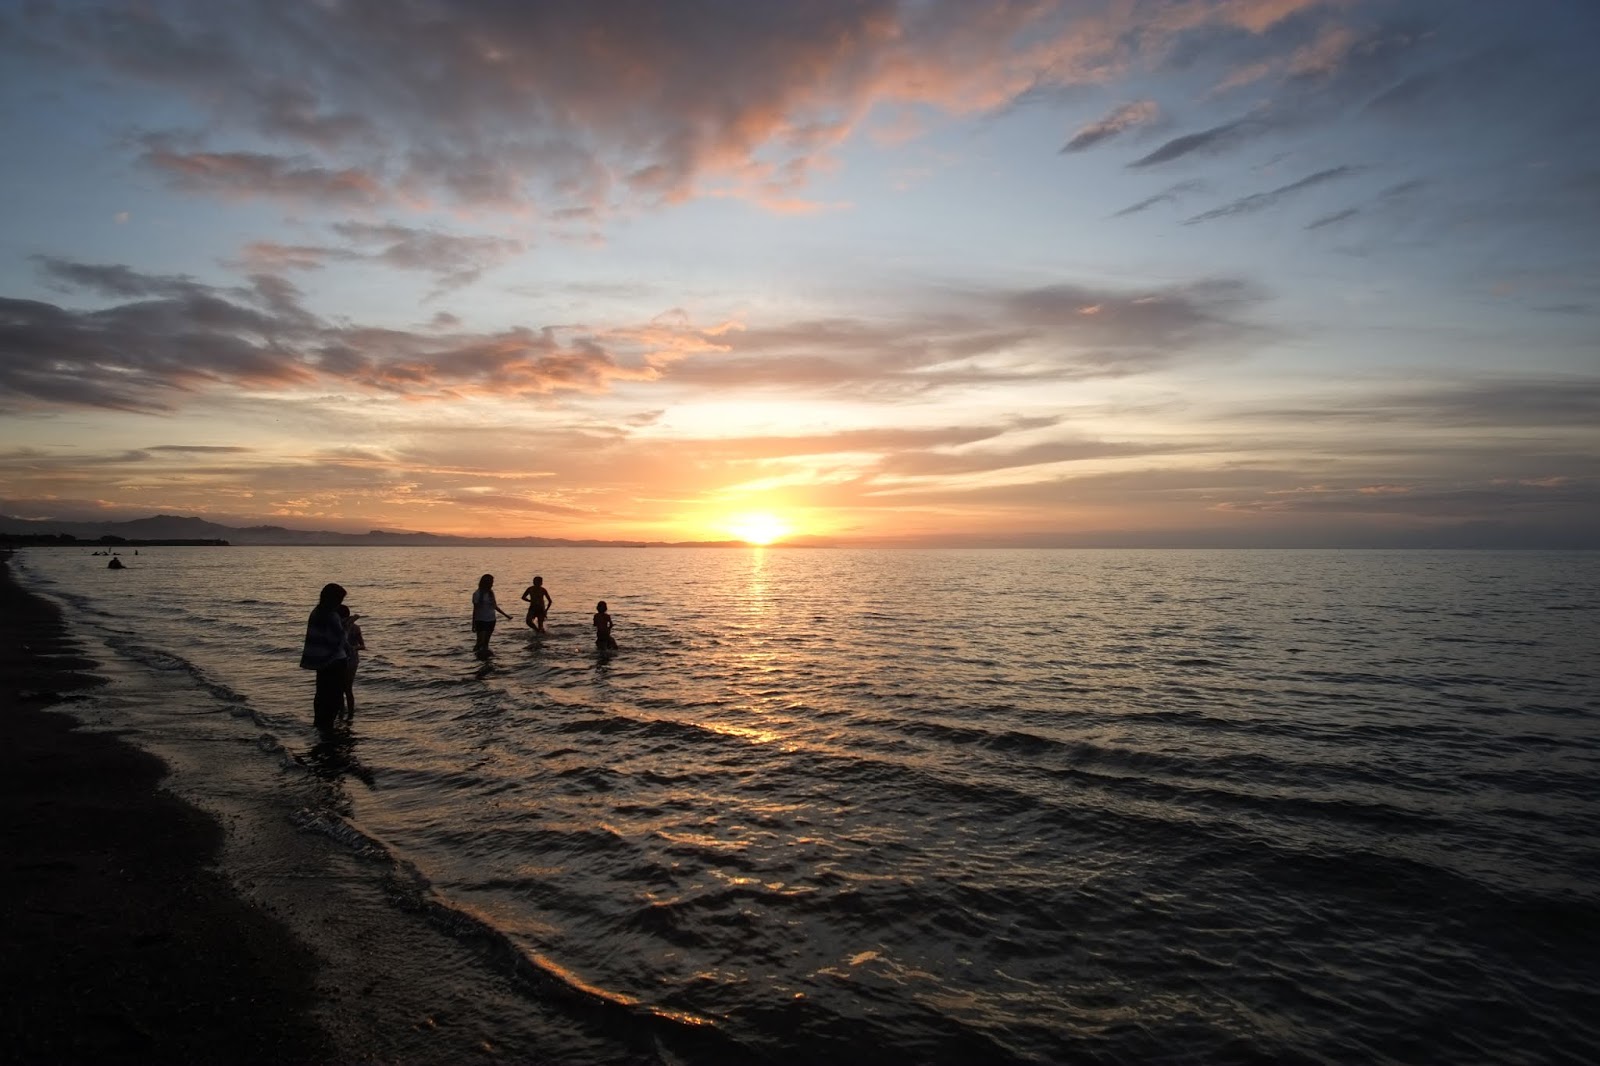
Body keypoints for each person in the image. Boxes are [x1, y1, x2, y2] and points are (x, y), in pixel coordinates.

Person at [300, 583, 348, 727]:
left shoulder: (316, 612)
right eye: (340, 600)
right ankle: (328, 728)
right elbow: (338, 640)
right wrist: (346, 627)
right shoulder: (331, 616)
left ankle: (320, 724)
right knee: (334, 696)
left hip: (321, 661)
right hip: (335, 661)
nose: (341, 603)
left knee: (321, 694)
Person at [472, 573, 512, 655]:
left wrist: (506, 615)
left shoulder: (491, 593)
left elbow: (495, 606)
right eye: (491, 582)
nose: (492, 584)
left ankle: (485, 660)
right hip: (480, 620)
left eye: (492, 582)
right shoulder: (477, 594)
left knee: (486, 642)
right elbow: (475, 610)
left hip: (491, 620)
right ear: (485, 583)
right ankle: (474, 655)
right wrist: (473, 624)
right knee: (480, 642)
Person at [338, 604, 366, 717]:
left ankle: (349, 713)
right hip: (342, 660)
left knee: (346, 688)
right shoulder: (339, 627)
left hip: (351, 660)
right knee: (341, 689)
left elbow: (362, 645)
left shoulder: (355, 628)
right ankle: (343, 712)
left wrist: (352, 648)